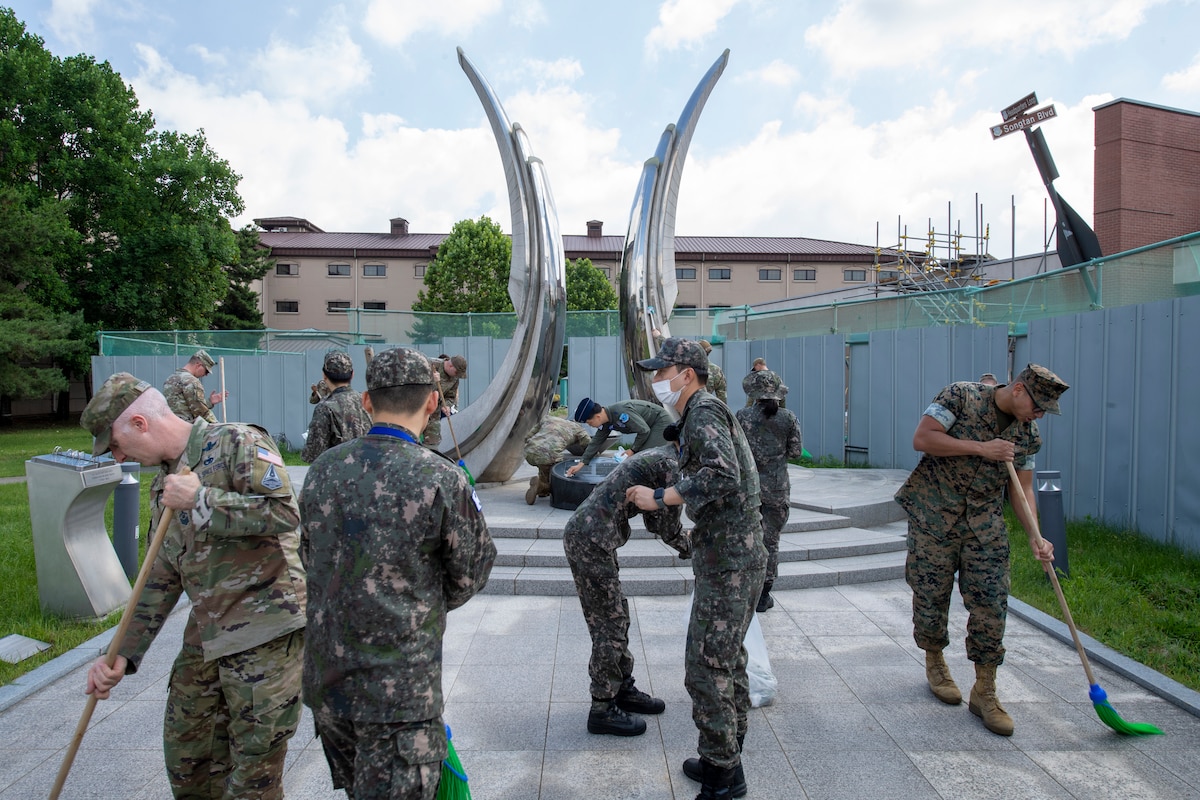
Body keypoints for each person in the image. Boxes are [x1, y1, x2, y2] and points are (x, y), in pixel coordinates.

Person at [80, 373, 306, 799]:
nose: (117, 454)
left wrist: (201, 500)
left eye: (114, 443)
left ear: (139, 425)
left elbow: (284, 514)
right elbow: (160, 575)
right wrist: (120, 655)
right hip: (207, 636)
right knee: (189, 762)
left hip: (266, 636)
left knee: (252, 779)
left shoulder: (236, 442)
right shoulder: (164, 483)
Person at [299, 348, 496, 800]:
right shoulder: (442, 478)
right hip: (400, 695)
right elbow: (471, 573)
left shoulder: (322, 472)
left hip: (330, 686)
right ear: (432, 403)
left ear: (366, 402)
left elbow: (310, 558)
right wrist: (415, 601)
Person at [895, 363, 1067, 737]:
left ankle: (984, 689)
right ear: (1019, 389)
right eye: (1038, 406)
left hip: (984, 525)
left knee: (992, 602)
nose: (1039, 415)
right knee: (931, 595)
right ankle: (935, 660)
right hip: (934, 515)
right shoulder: (960, 396)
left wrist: (1037, 536)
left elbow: (1021, 492)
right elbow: (923, 438)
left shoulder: (1028, 435)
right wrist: (981, 449)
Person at [626, 337, 766, 799]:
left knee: (705, 666)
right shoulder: (699, 412)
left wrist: (660, 497)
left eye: (662, 372)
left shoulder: (703, 411)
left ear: (687, 374)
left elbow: (721, 474)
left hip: (730, 557)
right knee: (728, 657)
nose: (655, 380)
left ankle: (725, 777)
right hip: (731, 553)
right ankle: (723, 750)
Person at [565, 449, 689, 736]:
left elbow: (653, 515)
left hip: (593, 537)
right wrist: (693, 546)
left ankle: (622, 689)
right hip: (591, 540)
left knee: (617, 614)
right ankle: (603, 708)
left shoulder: (661, 456)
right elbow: (665, 526)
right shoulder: (670, 467)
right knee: (609, 624)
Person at [736, 369, 803, 613]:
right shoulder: (788, 418)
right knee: (770, 541)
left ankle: (744, 588)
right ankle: (764, 594)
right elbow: (796, 452)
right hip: (776, 489)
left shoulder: (742, 416)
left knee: (746, 539)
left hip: (748, 490)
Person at [566, 397, 673, 477]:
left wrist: (632, 450)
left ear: (597, 417)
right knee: (640, 458)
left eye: (590, 423)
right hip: (648, 427)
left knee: (646, 457)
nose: (590, 426)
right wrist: (581, 463)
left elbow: (644, 431)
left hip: (659, 422)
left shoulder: (621, 412)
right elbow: (596, 442)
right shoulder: (605, 423)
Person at [302, 351, 371, 463]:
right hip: (369, 473)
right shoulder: (366, 402)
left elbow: (313, 454)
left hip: (339, 474)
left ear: (324, 375)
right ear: (352, 374)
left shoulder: (325, 408)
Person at [522, 413, 593, 504]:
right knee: (557, 476)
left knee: (544, 467)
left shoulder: (548, 418)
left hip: (529, 451)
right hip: (548, 455)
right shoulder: (578, 429)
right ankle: (541, 486)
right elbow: (589, 445)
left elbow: (528, 436)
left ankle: (542, 492)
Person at [162, 349, 226, 423]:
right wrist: (219, 426)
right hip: (186, 429)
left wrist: (209, 402)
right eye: (206, 371)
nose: (206, 374)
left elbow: (181, 406)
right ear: (198, 365)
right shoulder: (191, 381)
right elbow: (200, 411)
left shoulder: (170, 379)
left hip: (170, 426)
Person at [421, 354, 467, 448]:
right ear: (450, 366)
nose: (457, 376)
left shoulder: (454, 378)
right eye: (456, 372)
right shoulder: (429, 365)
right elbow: (414, 387)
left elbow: (450, 396)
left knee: (433, 442)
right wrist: (432, 380)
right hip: (418, 409)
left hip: (434, 413)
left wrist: (447, 405)